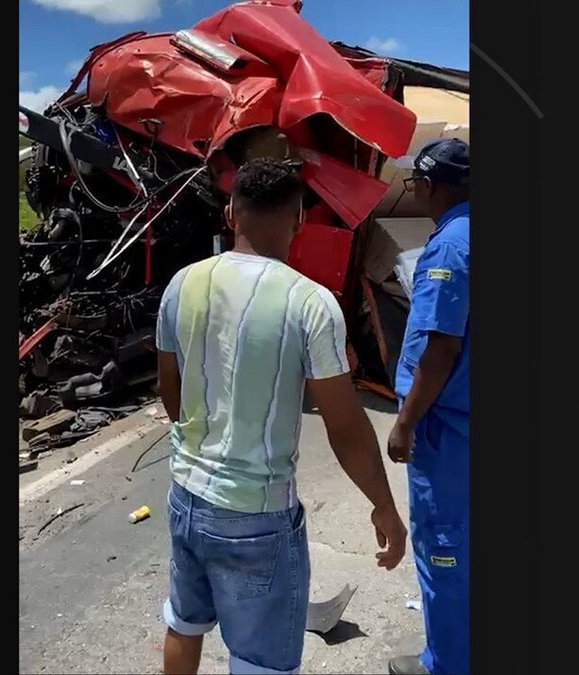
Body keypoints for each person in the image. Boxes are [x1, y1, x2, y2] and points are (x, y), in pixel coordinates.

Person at [155, 157, 408, 675]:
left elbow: (170, 390)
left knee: (184, 622)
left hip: (186, 497)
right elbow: (344, 426)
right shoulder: (310, 303)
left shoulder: (182, 284)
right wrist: (383, 505)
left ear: (231, 213)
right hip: (258, 517)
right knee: (261, 664)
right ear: (299, 220)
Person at [385, 139, 471, 675]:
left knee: (444, 550)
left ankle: (448, 664)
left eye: (414, 182)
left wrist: (405, 422)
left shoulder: (449, 248)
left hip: (446, 428)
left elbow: (439, 348)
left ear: (431, 185)